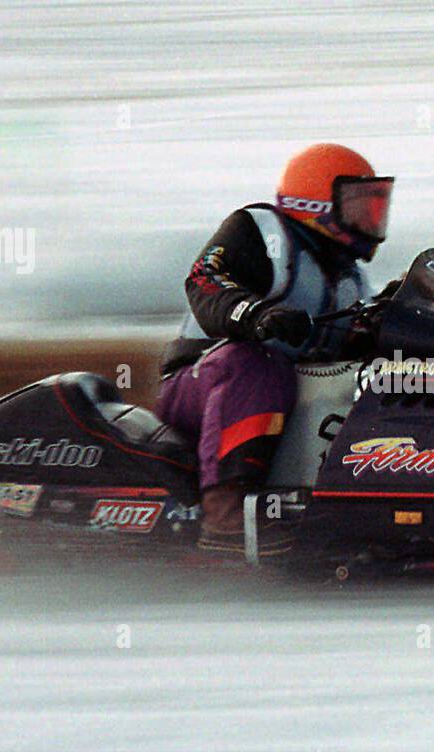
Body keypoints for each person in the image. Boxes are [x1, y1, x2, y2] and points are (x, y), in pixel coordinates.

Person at [157, 143, 393, 555]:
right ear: (317, 201)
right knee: (259, 363)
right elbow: (204, 280)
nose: (370, 218)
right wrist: (255, 315)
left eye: (376, 206)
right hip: (201, 385)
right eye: (358, 205)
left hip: (272, 398)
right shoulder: (262, 232)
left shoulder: (351, 277)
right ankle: (223, 516)